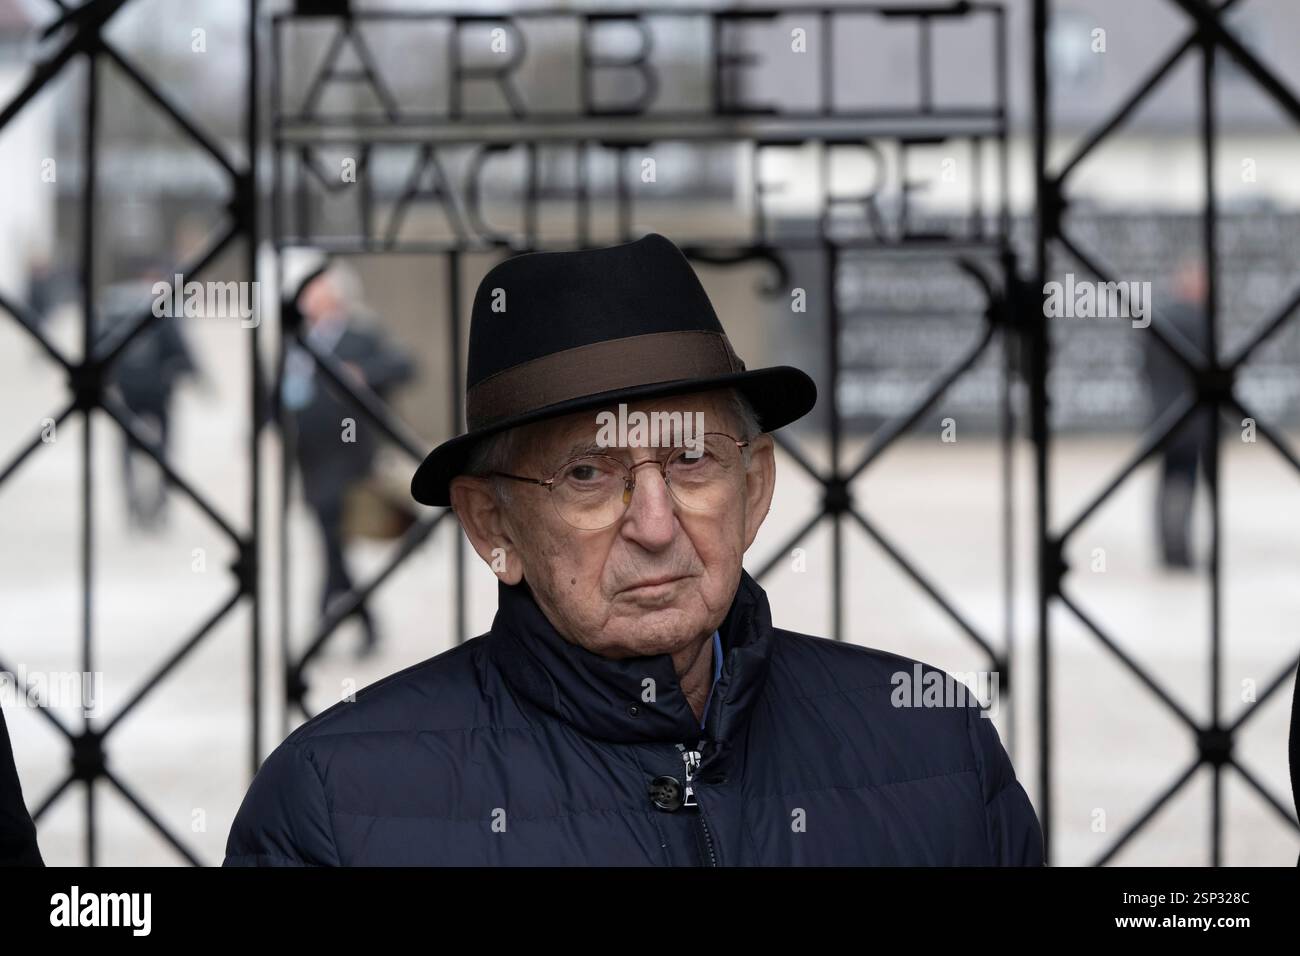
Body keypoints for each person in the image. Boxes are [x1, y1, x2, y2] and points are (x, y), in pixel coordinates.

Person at [225, 233, 1043, 865]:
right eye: (588, 473)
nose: (655, 524)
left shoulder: (939, 751)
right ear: (493, 526)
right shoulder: (334, 804)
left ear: (754, 488)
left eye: (691, 460)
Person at [281, 261, 416, 657]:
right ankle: (352, 624)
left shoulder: (360, 336)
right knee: (330, 543)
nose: (310, 300)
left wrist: (366, 374)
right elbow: (281, 390)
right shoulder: (299, 340)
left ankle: (328, 626)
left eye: (317, 292)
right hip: (309, 458)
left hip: (348, 457)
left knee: (330, 537)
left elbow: (405, 366)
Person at [99, 259, 200, 532]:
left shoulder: (117, 308)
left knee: (129, 450)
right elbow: (180, 348)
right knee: (162, 448)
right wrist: (194, 376)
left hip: (130, 391)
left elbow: (100, 346)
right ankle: (157, 505)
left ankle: (136, 504)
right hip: (156, 392)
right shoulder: (162, 311)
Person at [1142, 258, 1214, 569]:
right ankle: (1180, 553)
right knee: (1184, 481)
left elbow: (1145, 369)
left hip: (1163, 414)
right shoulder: (1201, 322)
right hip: (1194, 416)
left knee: (1168, 480)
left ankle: (1168, 548)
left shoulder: (1157, 318)